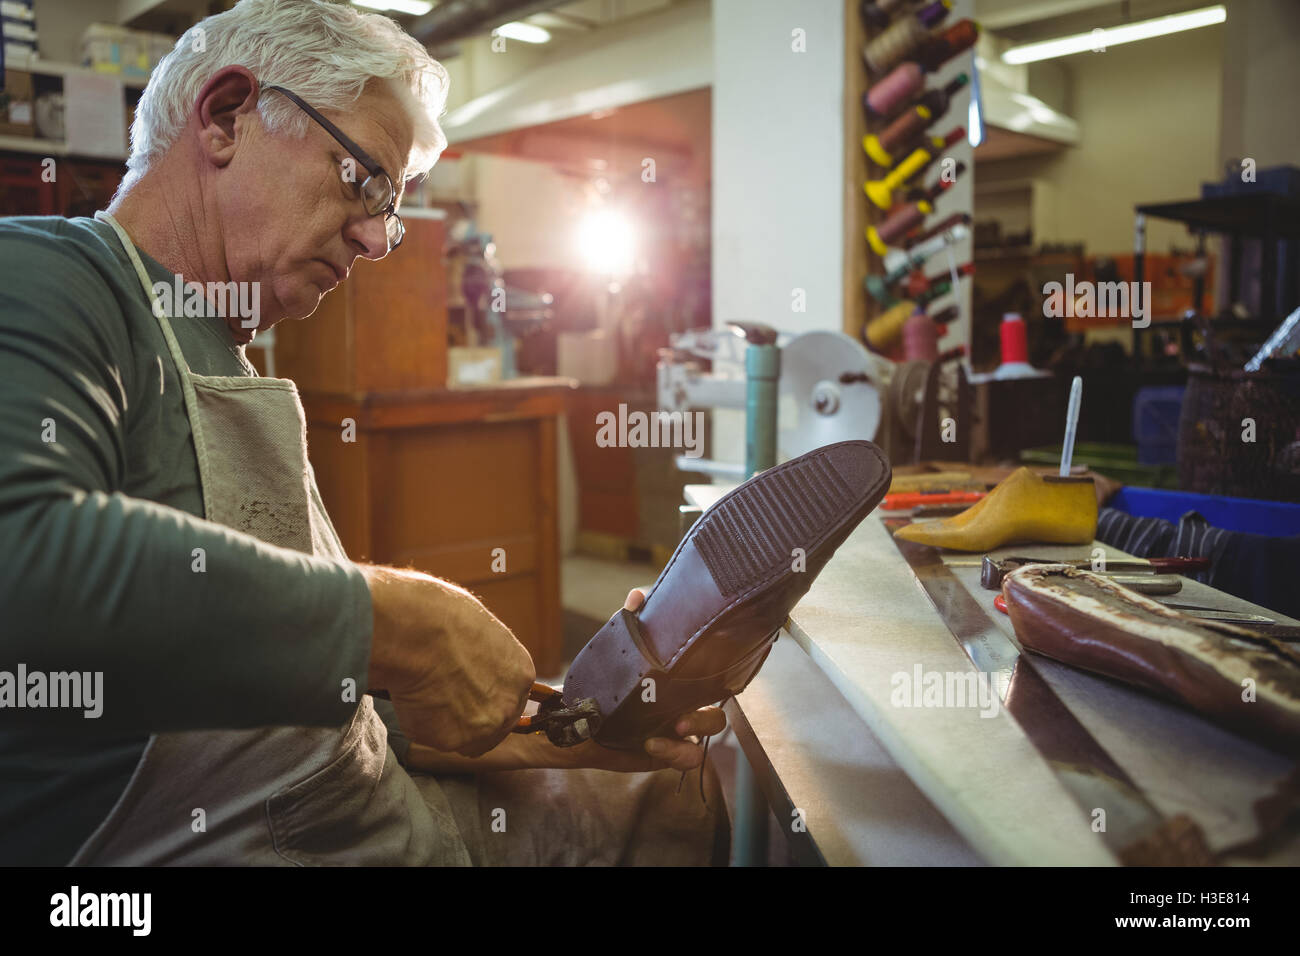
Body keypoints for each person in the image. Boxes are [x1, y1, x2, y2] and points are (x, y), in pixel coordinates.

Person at [0, 0, 726, 866]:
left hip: (375, 805)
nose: (381, 239)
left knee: (689, 778)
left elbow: (281, 680)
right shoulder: (44, 274)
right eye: (366, 183)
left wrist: (537, 732)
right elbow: (20, 552)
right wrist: (402, 624)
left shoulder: (230, 360)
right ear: (228, 117)